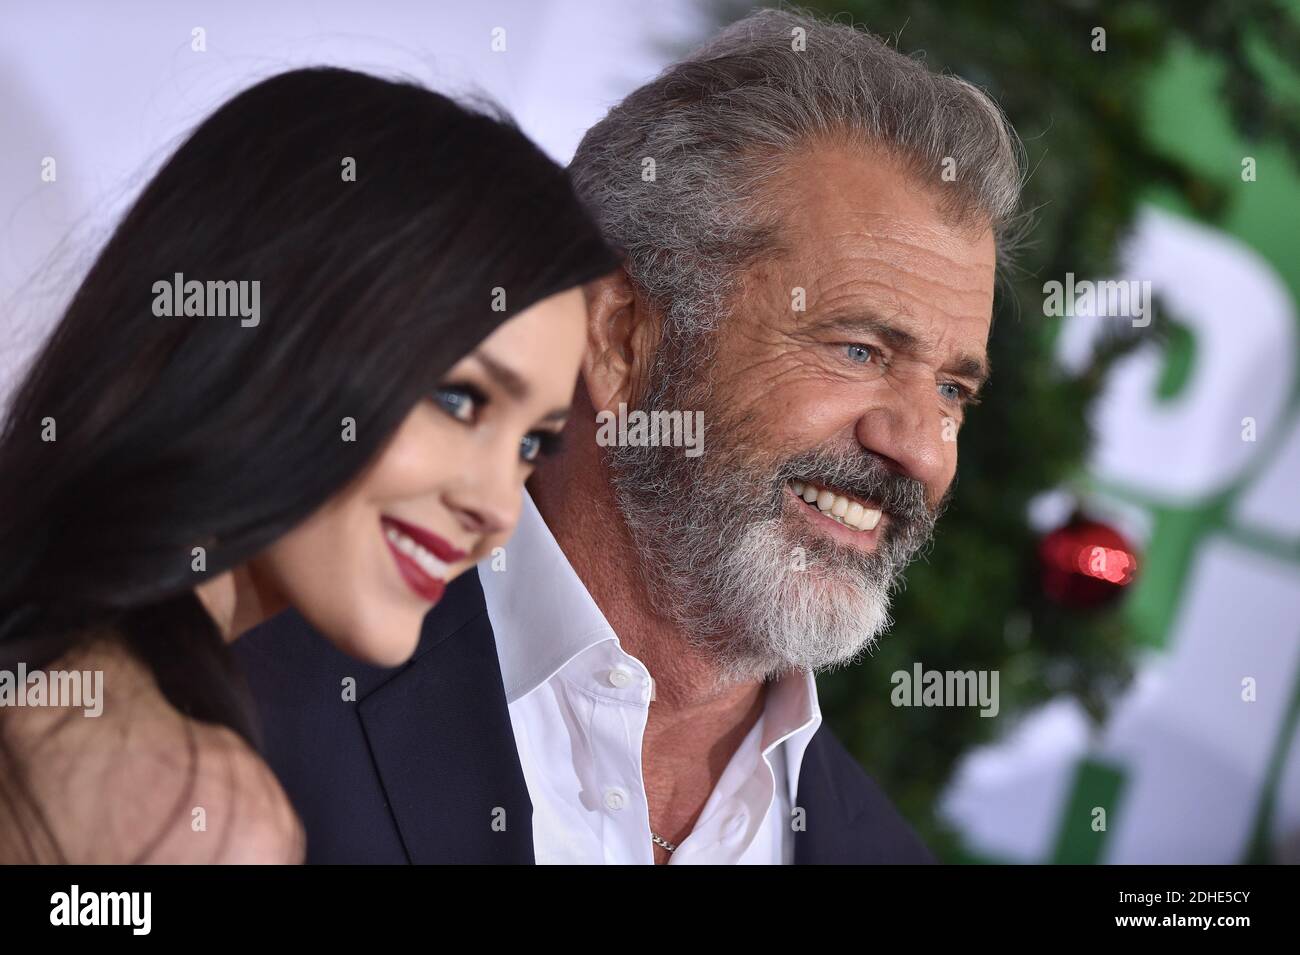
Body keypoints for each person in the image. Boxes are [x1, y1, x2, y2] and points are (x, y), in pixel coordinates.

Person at [240, 8, 1025, 864]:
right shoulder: (238, 671)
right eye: (859, 348)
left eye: (953, 388)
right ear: (620, 340)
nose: (920, 447)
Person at [0, 67, 619, 862]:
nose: (498, 508)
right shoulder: (196, 817)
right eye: (461, 401)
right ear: (281, 336)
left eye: (532, 444)